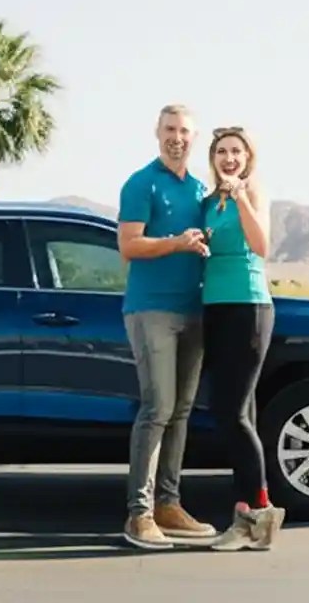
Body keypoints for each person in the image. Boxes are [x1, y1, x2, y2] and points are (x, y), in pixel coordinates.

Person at [117, 103, 218, 550]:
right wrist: (176, 243)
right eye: (170, 129)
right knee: (156, 407)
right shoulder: (141, 183)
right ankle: (138, 514)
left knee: (181, 410)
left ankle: (168, 504)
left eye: (185, 131)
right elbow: (128, 245)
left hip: (192, 311)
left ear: (195, 139)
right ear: (157, 133)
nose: (178, 137)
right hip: (150, 310)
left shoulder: (200, 190)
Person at [200, 126, 286, 551]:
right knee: (238, 416)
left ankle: (258, 514)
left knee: (231, 413)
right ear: (213, 158)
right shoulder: (208, 202)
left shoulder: (253, 193)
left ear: (248, 157)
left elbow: (261, 244)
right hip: (214, 307)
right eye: (221, 151)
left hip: (248, 307)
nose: (228, 158)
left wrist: (239, 197)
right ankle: (245, 520)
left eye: (236, 151)